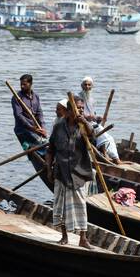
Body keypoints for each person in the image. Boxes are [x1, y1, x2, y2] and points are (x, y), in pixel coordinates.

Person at [47, 101, 93, 249]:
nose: (79, 110)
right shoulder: (59, 126)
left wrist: (84, 121)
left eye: (81, 108)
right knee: (60, 206)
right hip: (61, 172)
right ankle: (64, 236)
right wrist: (48, 168)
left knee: (81, 205)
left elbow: (93, 135)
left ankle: (83, 239)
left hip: (78, 172)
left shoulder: (83, 127)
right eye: (76, 108)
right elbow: (50, 149)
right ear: (68, 111)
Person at [11, 74, 48, 175]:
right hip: (23, 130)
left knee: (45, 144)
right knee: (37, 147)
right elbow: (19, 116)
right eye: (21, 84)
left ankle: (47, 162)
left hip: (35, 129)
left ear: (31, 84)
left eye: (25, 84)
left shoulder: (36, 97)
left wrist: (43, 128)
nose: (22, 86)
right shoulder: (16, 98)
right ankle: (44, 165)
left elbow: (40, 113)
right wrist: (32, 129)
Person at [76, 76, 119, 163]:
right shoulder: (77, 97)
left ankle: (114, 157)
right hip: (81, 124)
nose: (87, 87)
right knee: (100, 131)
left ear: (92, 86)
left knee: (109, 138)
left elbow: (93, 115)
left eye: (89, 85)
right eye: (85, 85)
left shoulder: (91, 99)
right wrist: (88, 117)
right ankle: (106, 154)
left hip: (91, 123)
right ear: (81, 86)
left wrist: (97, 118)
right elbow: (77, 113)